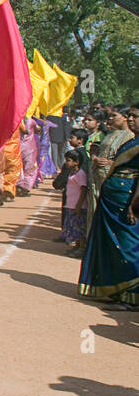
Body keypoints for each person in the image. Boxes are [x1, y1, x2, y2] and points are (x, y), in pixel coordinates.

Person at [78, 108, 139, 309]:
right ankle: (117, 289)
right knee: (113, 243)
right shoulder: (131, 141)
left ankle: (131, 296)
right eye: (130, 115)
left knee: (128, 244)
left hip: (127, 200)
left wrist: (134, 204)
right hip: (113, 199)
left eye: (136, 116)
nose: (131, 119)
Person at [54, 149, 87, 252]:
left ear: (76, 162)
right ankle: (76, 246)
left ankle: (81, 247)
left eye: (68, 160)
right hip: (71, 204)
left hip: (77, 205)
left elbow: (84, 189)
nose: (66, 162)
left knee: (79, 226)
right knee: (74, 226)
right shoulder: (71, 172)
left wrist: (79, 204)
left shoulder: (80, 174)